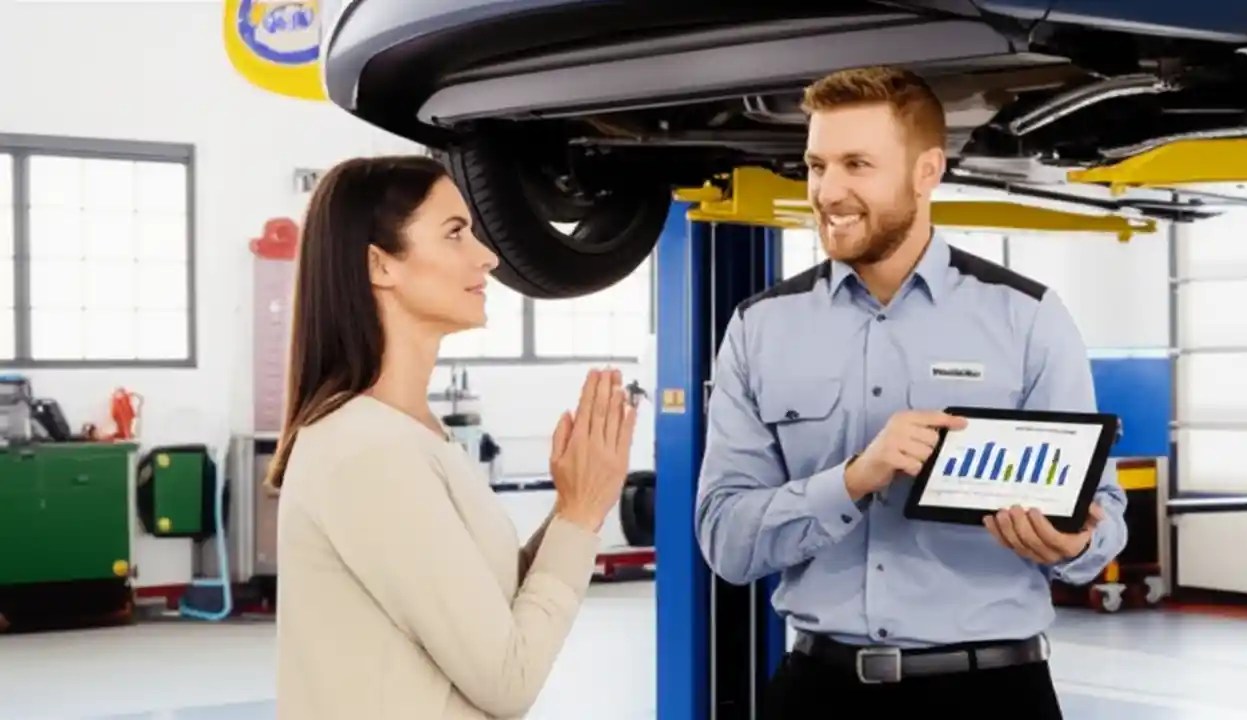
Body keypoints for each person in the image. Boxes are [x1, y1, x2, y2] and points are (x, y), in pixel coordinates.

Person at [694, 66, 1128, 718]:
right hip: (817, 692)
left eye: (856, 165)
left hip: (992, 696)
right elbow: (726, 542)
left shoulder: (1026, 317)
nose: (827, 191)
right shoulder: (760, 328)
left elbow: (1101, 514)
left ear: (927, 171)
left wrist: (1075, 546)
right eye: (816, 165)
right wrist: (854, 477)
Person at [268, 155, 637, 720]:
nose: (487, 257)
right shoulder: (369, 453)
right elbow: (506, 679)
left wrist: (573, 504)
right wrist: (580, 517)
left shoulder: (407, 435)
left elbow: (482, 609)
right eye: (455, 233)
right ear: (380, 265)